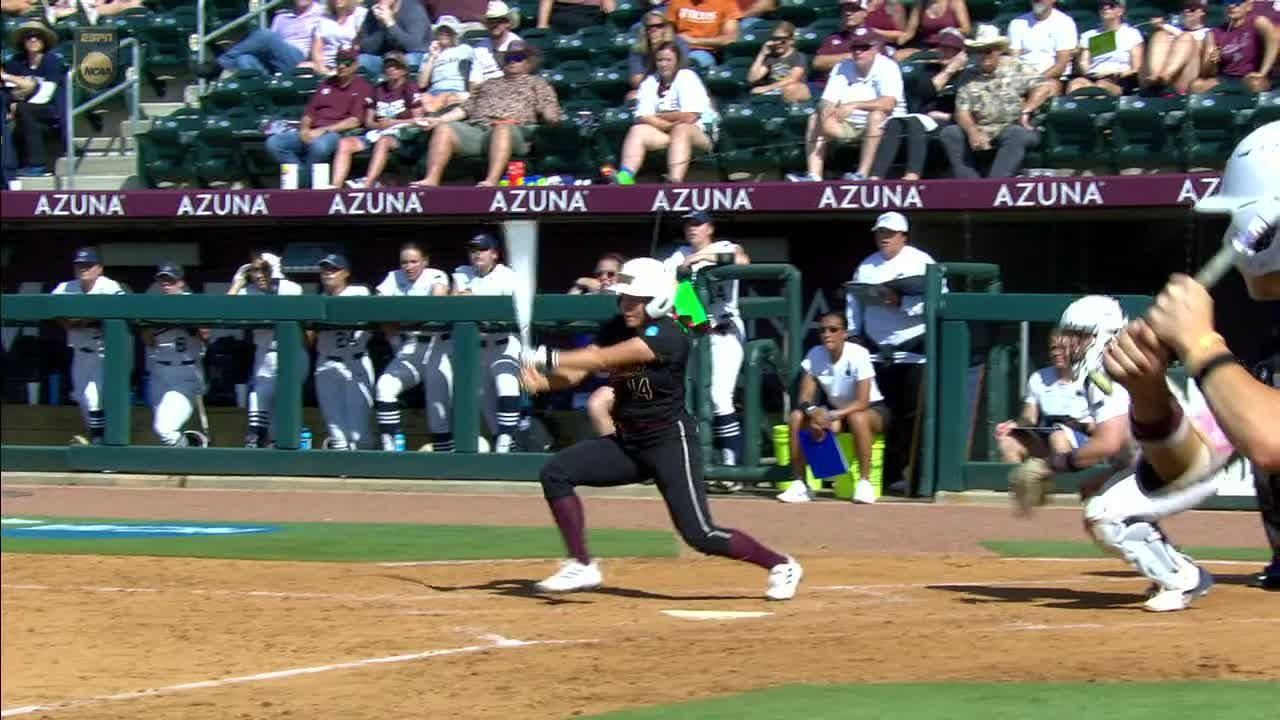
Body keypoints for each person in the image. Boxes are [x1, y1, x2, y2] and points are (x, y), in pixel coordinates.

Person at [520, 257, 804, 599]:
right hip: (629, 441)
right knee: (556, 472)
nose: (626, 305)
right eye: (624, 297)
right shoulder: (617, 326)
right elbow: (578, 372)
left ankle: (781, 564)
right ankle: (581, 564)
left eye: (635, 299)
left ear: (655, 300)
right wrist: (542, 383)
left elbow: (602, 360)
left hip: (669, 441)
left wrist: (545, 356)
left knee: (699, 534)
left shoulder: (668, 334)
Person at [1101, 121, 1280, 591]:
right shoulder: (1249, 309)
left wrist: (1201, 343)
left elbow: (1272, 440)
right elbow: (1182, 469)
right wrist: (1148, 391)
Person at [1011, 297, 1220, 612]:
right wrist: (1105, 477)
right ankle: (1177, 568)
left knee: (1103, 514)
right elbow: (1130, 444)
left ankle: (1181, 579)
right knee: (1106, 508)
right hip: (1175, 461)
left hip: (1185, 466)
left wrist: (1051, 465)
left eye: (1078, 334)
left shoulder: (1107, 370)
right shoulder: (1110, 366)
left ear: (1101, 334)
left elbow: (1108, 442)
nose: (1068, 342)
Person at [844, 212, 940, 495]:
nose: (884, 238)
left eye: (890, 233)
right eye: (880, 233)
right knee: (879, 415)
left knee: (913, 419)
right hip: (875, 353)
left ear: (904, 236)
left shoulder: (921, 262)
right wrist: (853, 334)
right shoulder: (867, 265)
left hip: (913, 352)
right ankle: (883, 478)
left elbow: (938, 302)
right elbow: (854, 303)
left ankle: (918, 480)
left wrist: (902, 302)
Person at [663, 211, 750, 479]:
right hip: (694, 332)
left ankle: (730, 467)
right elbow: (659, 278)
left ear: (710, 228)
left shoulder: (724, 247)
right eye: (689, 224)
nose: (692, 229)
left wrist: (702, 257)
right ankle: (693, 464)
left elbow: (743, 261)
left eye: (698, 224)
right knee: (687, 400)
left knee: (719, 398)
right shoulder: (679, 253)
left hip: (724, 330)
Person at [778, 312, 890, 504]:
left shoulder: (858, 354)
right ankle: (801, 484)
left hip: (872, 410)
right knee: (797, 416)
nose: (827, 334)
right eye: (822, 330)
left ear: (844, 333)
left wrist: (830, 415)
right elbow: (804, 396)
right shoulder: (815, 354)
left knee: (858, 418)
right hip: (838, 412)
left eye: (833, 330)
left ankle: (865, 483)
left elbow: (862, 402)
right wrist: (814, 412)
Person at [412, 43, 561, 187]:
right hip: (478, 130)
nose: (512, 62)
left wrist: (551, 117)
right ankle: (431, 179)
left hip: (515, 130)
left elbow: (548, 107)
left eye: (518, 58)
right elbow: (464, 109)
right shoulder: (488, 84)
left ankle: (491, 181)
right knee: (445, 128)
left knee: (502, 128)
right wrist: (438, 120)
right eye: (509, 58)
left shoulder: (537, 83)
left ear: (529, 62)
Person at [787, 27, 904, 182]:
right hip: (848, 124)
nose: (858, 52)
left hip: (886, 126)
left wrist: (854, 105)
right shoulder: (842, 66)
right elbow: (827, 100)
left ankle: (861, 174)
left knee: (876, 116)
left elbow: (889, 104)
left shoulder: (887, 67)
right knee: (815, 118)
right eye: (855, 47)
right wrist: (826, 116)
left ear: (875, 48)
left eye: (864, 47)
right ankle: (814, 176)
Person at [937, 25, 1055, 179]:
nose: (984, 55)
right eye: (979, 51)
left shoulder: (1016, 66)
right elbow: (962, 110)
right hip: (982, 129)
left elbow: (1044, 87)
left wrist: (1027, 109)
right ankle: (971, 186)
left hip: (1015, 127)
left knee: (1015, 133)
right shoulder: (968, 75)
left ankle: (996, 185)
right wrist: (973, 131)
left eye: (988, 50)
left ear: (998, 50)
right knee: (950, 133)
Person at [374, 242, 454, 453]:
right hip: (409, 346)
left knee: (439, 412)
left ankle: (445, 460)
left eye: (413, 261)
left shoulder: (436, 275)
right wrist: (396, 339)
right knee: (385, 387)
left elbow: (436, 305)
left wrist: (399, 316)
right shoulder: (393, 277)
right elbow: (379, 307)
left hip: (438, 346)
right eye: (404, 262)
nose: (408, 266)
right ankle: (390, 450)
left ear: (425, 262)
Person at [453, 231, 525, 452]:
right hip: (478, 348)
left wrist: (472, 301)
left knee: (507, 387)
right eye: (473, 250)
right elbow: (454, 299)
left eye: (482, 249)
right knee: (485, 401)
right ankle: (504, 446)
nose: (477, 254)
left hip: (505, 341)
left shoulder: (509, 276)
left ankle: (506, 442)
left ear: (495, 254)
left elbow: (512, 311)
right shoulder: (462, 273)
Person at [870, 28, 970, 180]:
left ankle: (912, 174)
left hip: (951, 121)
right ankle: (876, 176)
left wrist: (946, 115)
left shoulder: (967, 75)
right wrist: (949, 70)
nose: (943, 51)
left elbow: (968, 107)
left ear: (960, 53)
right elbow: (925, 93)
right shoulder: (928, 70)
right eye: (941, 47)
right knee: (895, 123)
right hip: (924, 118)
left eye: (950, 49)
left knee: (915, 121)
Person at [266, 44, 373, 183]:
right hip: (313, 130)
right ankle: (301, 178)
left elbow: (355, 121)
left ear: (355, 65)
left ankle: (304, 186)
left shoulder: (363, 86)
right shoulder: (327, 84)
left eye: (347, 63)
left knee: (319, 146)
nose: (342, 66)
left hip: (337, 133)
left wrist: (322, 131)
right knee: (275, 143)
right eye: (339, 62)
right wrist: (304, 129)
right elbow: (309, 113)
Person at [52, 247, 126, 446]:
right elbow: (51, 308)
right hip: (80, 353)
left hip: (104, 354)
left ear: (99, 268)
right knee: (83, 399)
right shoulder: (66, 287)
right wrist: (68, 323)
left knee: (95, 399)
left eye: (88, 265)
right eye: (79, 265)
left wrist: (84, 319)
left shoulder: (109, 286)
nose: (83, 268)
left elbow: (124, 309)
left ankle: (101, 444)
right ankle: (97, 442)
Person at [615, 42, 716, 185]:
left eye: (668, 60)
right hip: (668, 133)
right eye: (660, 60)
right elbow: (643, 117)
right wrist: (669, 125)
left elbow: (689, 116)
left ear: (677, 61)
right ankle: (625, 177)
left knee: (681, 129)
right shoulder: (650, 81)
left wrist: (658, 117)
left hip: (700, 135)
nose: (663, 64)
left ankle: (674, 180)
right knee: (637, 130)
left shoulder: (687, 77)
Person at [231, 252, 304, 448]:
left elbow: (278, 304)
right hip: (263, 355)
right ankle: (257, 438)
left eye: (264, 269)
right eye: (255, 269)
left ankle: (260, 438)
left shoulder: (291, 288)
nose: (259, 274)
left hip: (290, 355)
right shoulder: (248, 292)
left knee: (275, 406)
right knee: (260, 398)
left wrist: (274, 277)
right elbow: (224, 312)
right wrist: (237, 284)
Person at [993, 330, 1093, 464]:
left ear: (1076, 349)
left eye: (1062, 348)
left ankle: (1064, 484)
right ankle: (1020, 484)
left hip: (1085, 439)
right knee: (1007, 443)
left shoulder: (1091, 378)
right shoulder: (1038, 377)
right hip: (1046, 437)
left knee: (1058, 437)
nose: (1056, 353)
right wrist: (1013, 425)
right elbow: (1029, 417)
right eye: (1053, 348)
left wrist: (1082, 425)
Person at [311, 254, 376, 450]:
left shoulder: (359, 292)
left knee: (359, 434)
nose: (328, 273)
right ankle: (340, 476)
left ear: (346, 273)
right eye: (325, 269)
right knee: (336, 432)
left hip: (355, 361)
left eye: (333, 269)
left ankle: (365, 474)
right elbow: (309, 339)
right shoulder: (317, 300)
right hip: (327, 364)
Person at [333, 51, 423, 189]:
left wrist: (393, 123)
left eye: (396, 66)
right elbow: (369, 122)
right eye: (388, 66)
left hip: (402, 138)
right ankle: (335, 187)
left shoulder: (410, 88)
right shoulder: (377, 89)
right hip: (377, 133)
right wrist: (379, 125)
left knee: (384, 140)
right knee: (345, 143)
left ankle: (367, 184)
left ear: (404, 70)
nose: (391, 69)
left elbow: (419, 120)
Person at [143, 264, 209, 449]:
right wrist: (153, 324)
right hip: (160, 373)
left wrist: (185, 322)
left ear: (180, 283)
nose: (166, 284)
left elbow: (205, 335)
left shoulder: (193, 303)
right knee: (163, 432)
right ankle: (187, 451)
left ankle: (192, 451)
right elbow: (148, 340)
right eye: (162, 280)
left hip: (186, 372)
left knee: (164, 428)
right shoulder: (153, 305)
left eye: (170, 280)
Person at [195, 0, 324, 79]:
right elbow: (269, 46)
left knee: (266, 36)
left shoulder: (322, 13)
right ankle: (263, 93)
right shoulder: (282, 16)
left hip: (300, 59)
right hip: (277, 61)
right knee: (244, 59)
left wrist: (318, 64)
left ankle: (220, 65)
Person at [3, 21, 65, 178]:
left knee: (24, 110)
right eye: (29, 37)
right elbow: (10, 90)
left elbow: (46, 93)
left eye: (37, 37)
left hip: (51, 108)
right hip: (24, 109)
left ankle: (38, 165)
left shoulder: (51, 61)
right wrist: (14, 102)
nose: (33, 40)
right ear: (23, 42)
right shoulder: (17, 62)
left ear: (44, 41)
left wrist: (19, 101)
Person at [1191, 0, 1276, 94]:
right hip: (1226, 77)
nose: (1232, 6)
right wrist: (1212, 61)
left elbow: (1273, 44)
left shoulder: (1258, 22)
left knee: (1256, 83)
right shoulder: (1213, 33)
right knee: (1197, 85)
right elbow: (1207, 72)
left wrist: (1263, 72)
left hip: (1250, 76)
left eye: (1238, 2)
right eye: (1227, 2)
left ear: (1248, 6)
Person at [1070, 0, 1144, 96]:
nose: (1106, 8)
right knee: (1076, 84)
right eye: (1102, 5)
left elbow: (1136, 68)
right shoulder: (1089, 35)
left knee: (1102, 86)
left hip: (1119, 79)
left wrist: (1115, 74)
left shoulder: (1132, 34)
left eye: (1111, 5)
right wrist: (1087, 71)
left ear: (1120, 11)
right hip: (1094, 76)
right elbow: (1084, 63)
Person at [1007, 0, 1078, 94]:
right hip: (1022, 78)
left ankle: (1027, 109)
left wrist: (1035, 80)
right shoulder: (1017, 23)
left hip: (1052, 78)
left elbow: (1061, 65)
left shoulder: (1064, 23)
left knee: (1043, 90)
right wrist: (1022, 80)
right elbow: (1014, 61)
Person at [1145, 1, 1212, 94]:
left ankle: (1166, 75)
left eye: (1192, 9)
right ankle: (1156, 76)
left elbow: (1199, 50)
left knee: (1186, 38)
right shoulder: (1172, 31)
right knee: (1160, 35)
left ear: (1202, 12)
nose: (1187, 12)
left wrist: (1165, 26)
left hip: (1187, 78)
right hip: (1162, 79)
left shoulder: (1207, 32)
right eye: (1185, 9)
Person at [357, 0, 431, 76]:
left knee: (411, 59)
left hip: (410, 57)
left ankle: (411, 87)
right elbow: (366, 48)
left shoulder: (414, 10)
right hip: (385, 60)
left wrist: (390, 23)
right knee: (361, 60)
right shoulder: (372, 12)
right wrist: (381, 25)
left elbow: (414, 46)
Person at [417, 17, 474, 114]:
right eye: (441, 31)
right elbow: (422, 84)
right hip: (433, 92)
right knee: (422, 98)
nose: (444, 34)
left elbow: (476, 71)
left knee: (443, 99)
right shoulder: (428, 54)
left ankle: (432, 116)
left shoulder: (465, 49)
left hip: (455, 90)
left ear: (455, 33)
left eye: (448, 31)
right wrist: (432, 57)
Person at [746, 21, 811, 103]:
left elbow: (792, 79)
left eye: (782, 40)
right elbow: (752, 78)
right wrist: (762, 54)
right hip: (774, 92)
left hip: (793, 91)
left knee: (790, 89)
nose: (778, 43)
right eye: (774, 39)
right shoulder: (771, 58)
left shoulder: (799, 56)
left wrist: (766, 88)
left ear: (791, 40)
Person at [667, 0, 741, 68]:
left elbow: (731, 38)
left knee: (694, 61)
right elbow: (668, 31)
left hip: (707, 51)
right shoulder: (677, 1)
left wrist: (694, 41)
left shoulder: (725, 2)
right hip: (679, 48)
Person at [629, 12, 690, 95]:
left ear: (666, 28)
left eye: (659, 26)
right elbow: (636, 81)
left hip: (676, 84)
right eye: (650, 27)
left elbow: (681, 69)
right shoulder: (638, 47)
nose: (654, 30)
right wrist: (655, 51)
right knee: (632, 96)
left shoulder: (679, 43)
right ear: (644, 30)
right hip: (651, 86)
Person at [896, 0, 971, 61]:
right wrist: (896, 43)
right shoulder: (920, 4)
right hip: (925, 48)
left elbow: (966, 29)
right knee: (897, 56)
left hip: (948, 47)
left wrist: (948, 31)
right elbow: (909, 33)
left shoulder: (955, 2)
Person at [309, 0, 369, 75]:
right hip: (327, 66)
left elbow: (360, 45)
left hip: (349, 64)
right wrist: (323, 70)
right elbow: (317, 51)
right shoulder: (324, 20)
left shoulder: (360, 15)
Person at [470, 1, 524, 85]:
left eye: (499, 21)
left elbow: (519, 78)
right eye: (491, 21)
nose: (494, 24)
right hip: (485, 91)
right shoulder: (479, 48)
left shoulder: (517, 44)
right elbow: (474, 81)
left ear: (507, 23)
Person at [813, 0, 871, 74]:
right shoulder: (834, 38)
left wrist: (835, 59)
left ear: (864, 12)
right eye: (844, 10)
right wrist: (853, 56)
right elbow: (818, 62)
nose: (848, 13)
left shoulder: (873, 36)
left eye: (853, 9)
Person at [538, 0, 614, 34]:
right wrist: (542, 26)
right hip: (561, 18)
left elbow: (609, 7)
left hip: (590, 19)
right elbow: (546, 2)